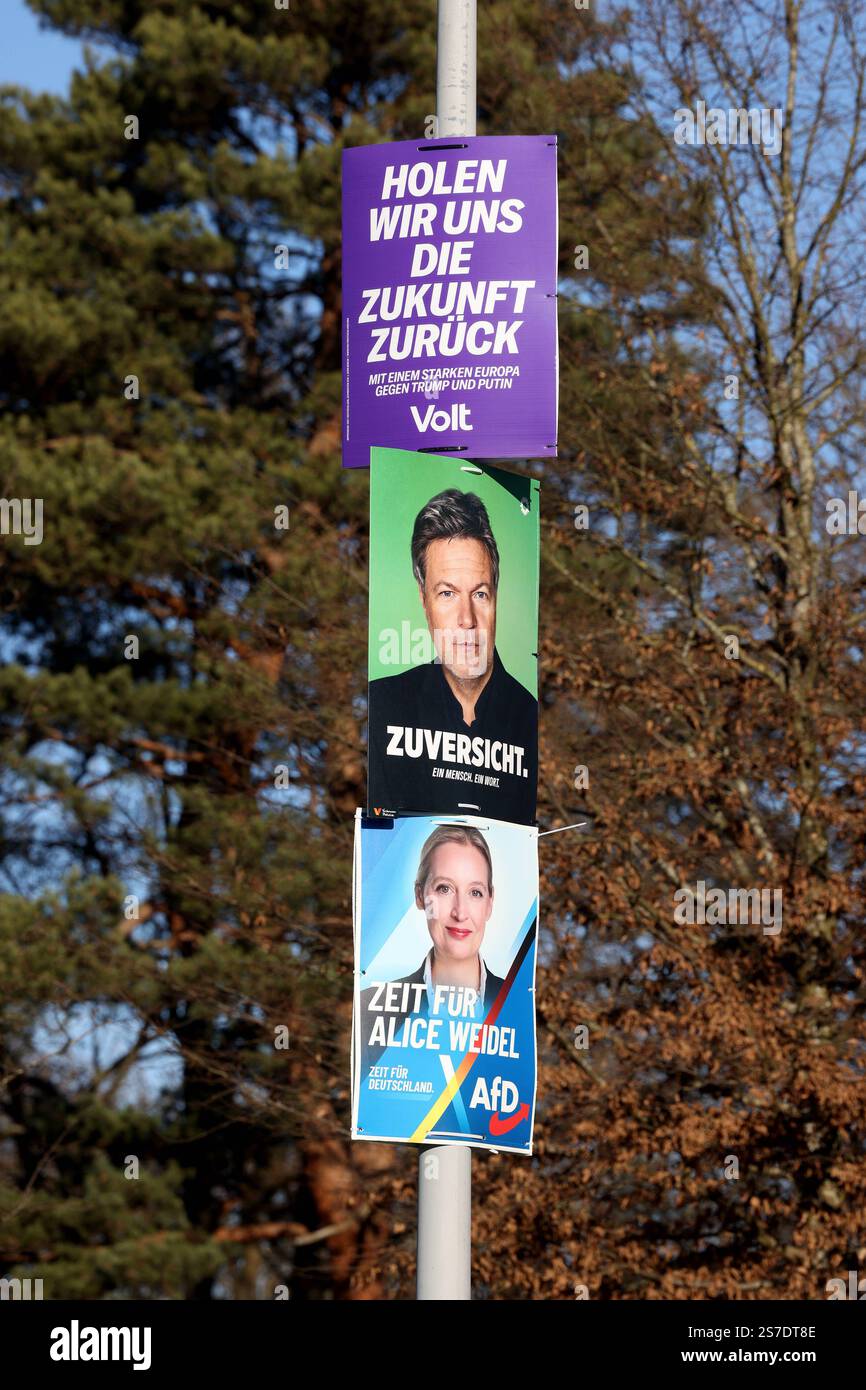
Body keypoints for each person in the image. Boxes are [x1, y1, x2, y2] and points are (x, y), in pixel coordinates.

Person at [367, 487, 537, 822]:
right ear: (423, 599)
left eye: (480, 593)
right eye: (447, 593)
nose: (466, 620)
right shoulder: (384, 703)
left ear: (496, 596)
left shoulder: (530, 716)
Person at [358, 825, 505, 1077]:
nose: (460, 912)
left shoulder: (519, 1008)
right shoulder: (372, 1008)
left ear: (490, 903)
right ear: (419, 895)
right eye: (444, 889)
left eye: (475, 893)